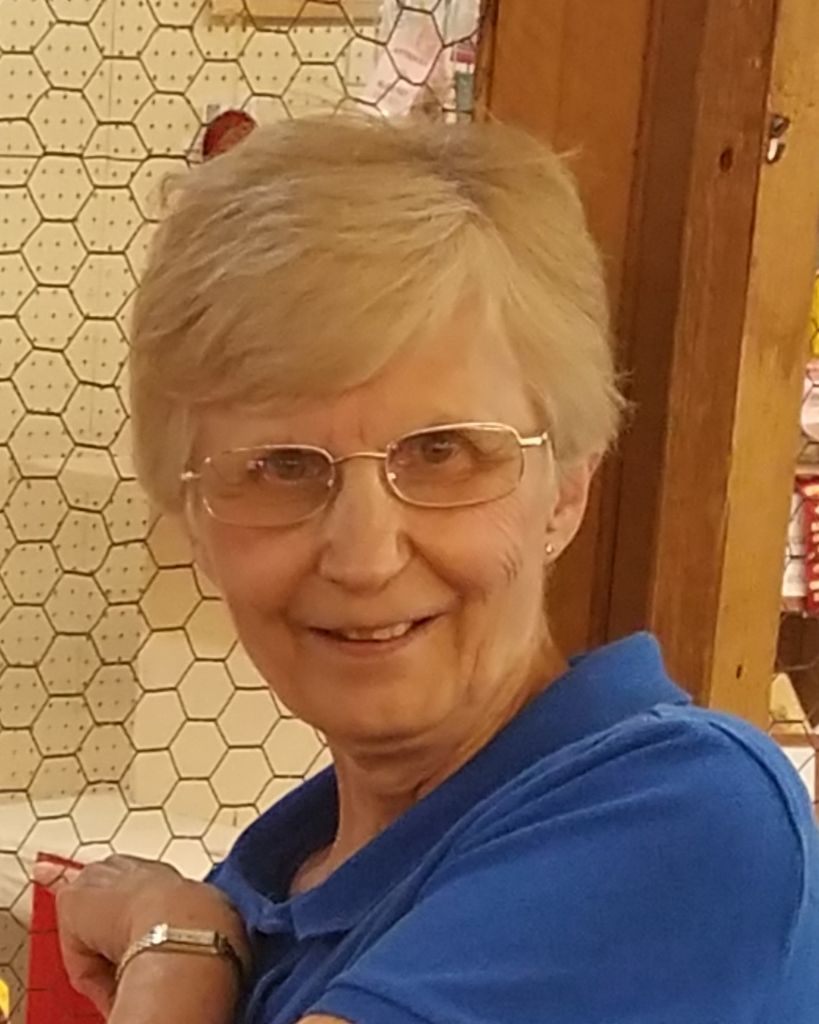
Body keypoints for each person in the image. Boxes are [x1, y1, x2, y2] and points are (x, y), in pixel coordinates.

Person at [38, 115, 819, 1024]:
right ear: (194, 524)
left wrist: (175, 951)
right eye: (283, 468)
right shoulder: (281, 879)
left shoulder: (682, 817)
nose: (366, 557)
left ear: (567, 487)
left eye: (442, 453)